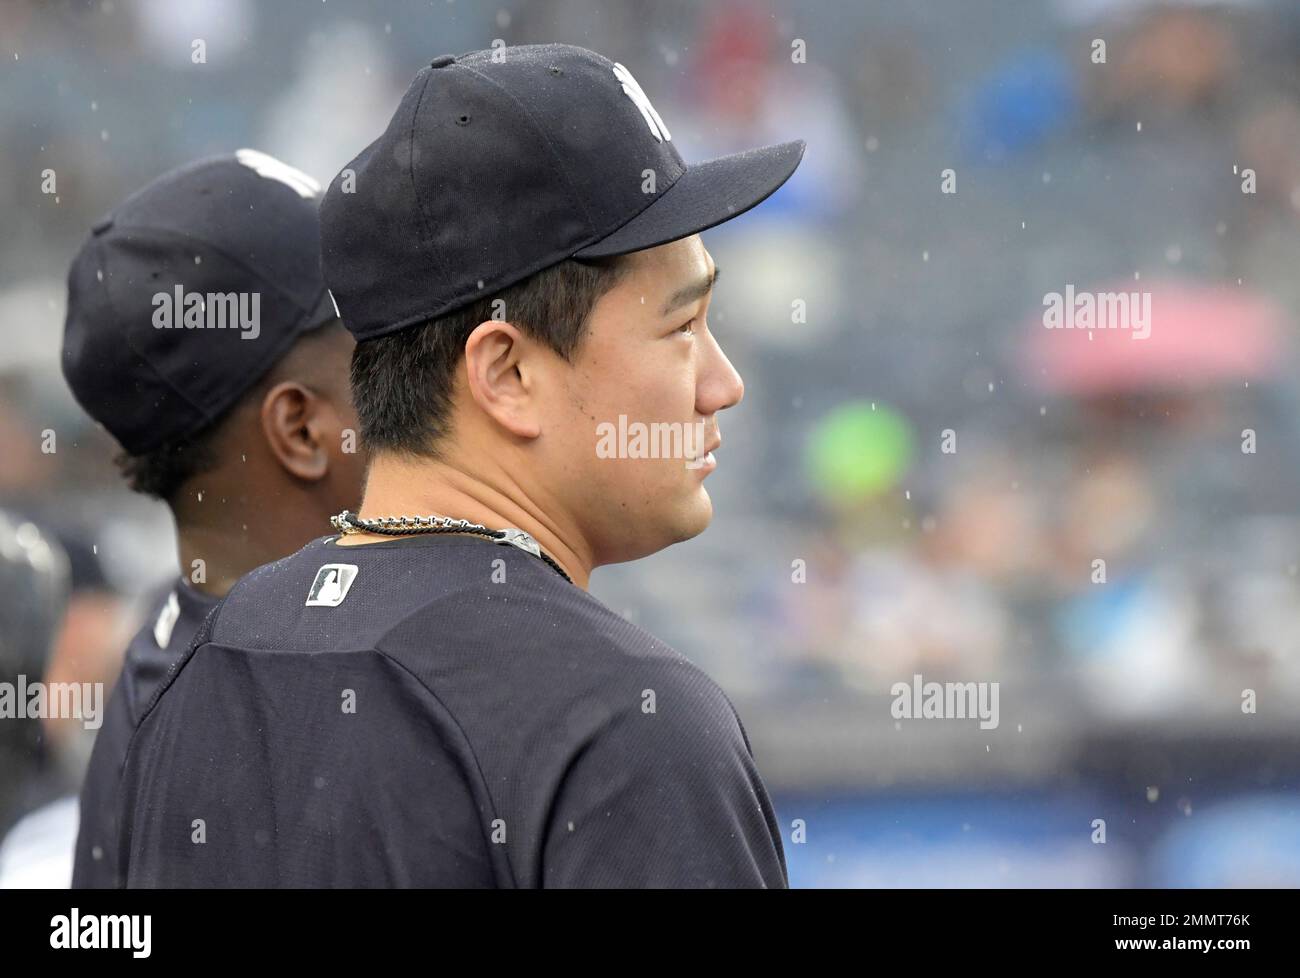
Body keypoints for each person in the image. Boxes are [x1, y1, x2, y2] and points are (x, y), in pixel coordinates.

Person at [117, 44, 803, 887]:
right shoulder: (627, 723)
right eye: (682, 327)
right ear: (507, 374)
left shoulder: (204, 666)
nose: (722, 384)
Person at [66, 151, 366, 887]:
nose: (418, 364)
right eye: (380, 347)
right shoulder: (312, 699)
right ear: (301, 429)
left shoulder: (165, 665)